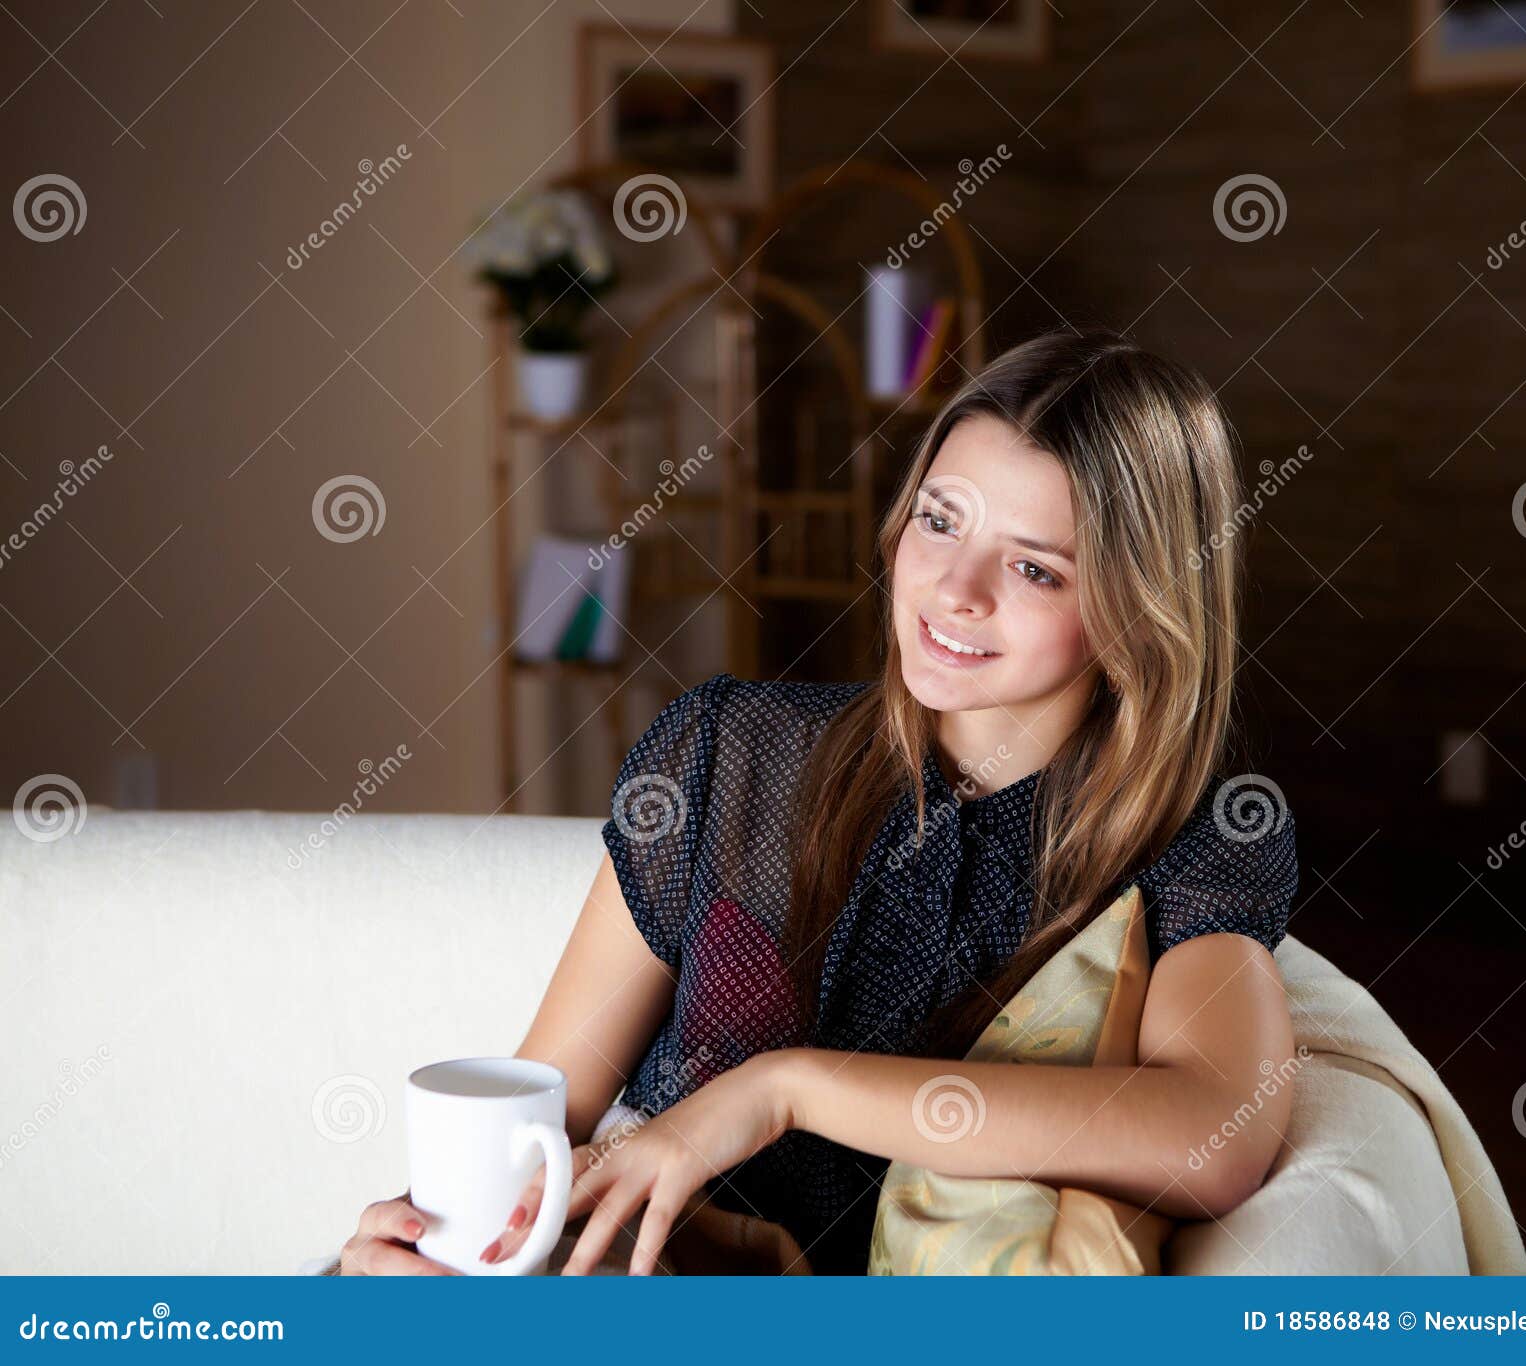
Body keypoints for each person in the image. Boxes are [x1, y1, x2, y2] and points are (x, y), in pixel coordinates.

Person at [339, 324, 1301, 1277]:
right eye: (939, 519)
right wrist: (433, 1243)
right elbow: (543, 1117)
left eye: (1035, 567)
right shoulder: (723, 752)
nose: (953, 588)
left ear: (1141, 606)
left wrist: (787, 1088)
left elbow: (1216, 1135)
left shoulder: (1196, 835)